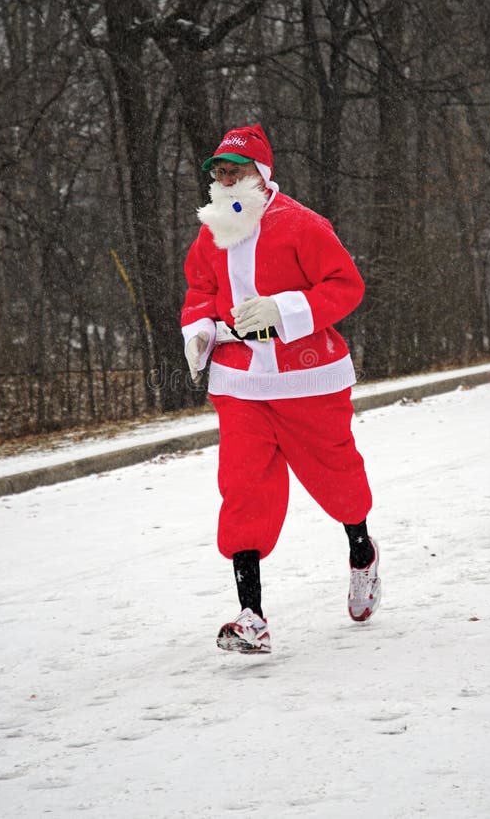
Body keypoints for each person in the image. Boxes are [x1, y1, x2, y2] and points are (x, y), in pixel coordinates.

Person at [181, 123, 381, 654]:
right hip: (240, 382)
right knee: (244, 490)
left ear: (261, 174)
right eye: (219, 172)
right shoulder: (211, 232)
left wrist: (286, 309)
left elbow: (345, 285)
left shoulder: (302, 225)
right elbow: (200, 289)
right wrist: (199, 330)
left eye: (235, 170)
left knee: (337, 478)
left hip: (307, 377)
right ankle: (252, 617)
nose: (225, 179)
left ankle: (361, 551)